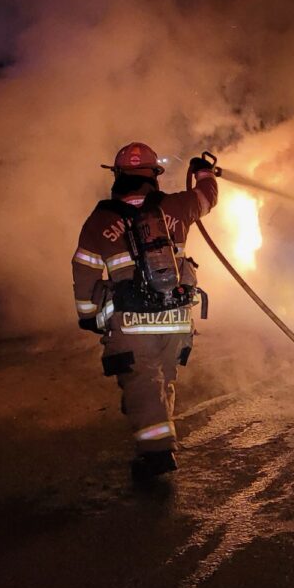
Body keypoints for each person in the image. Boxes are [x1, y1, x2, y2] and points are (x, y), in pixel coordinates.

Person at [72, 142, 218, 482]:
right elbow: (208, 196)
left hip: (131, 323)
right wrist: (204, 171)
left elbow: (84, 271)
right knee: (162, 380)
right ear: (154, 175)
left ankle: (156, 454)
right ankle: (158, 440)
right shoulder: (178, 207)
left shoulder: (101, 220)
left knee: (142, 385)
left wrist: (88, 313)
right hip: (177, 320)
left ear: (118, 177)